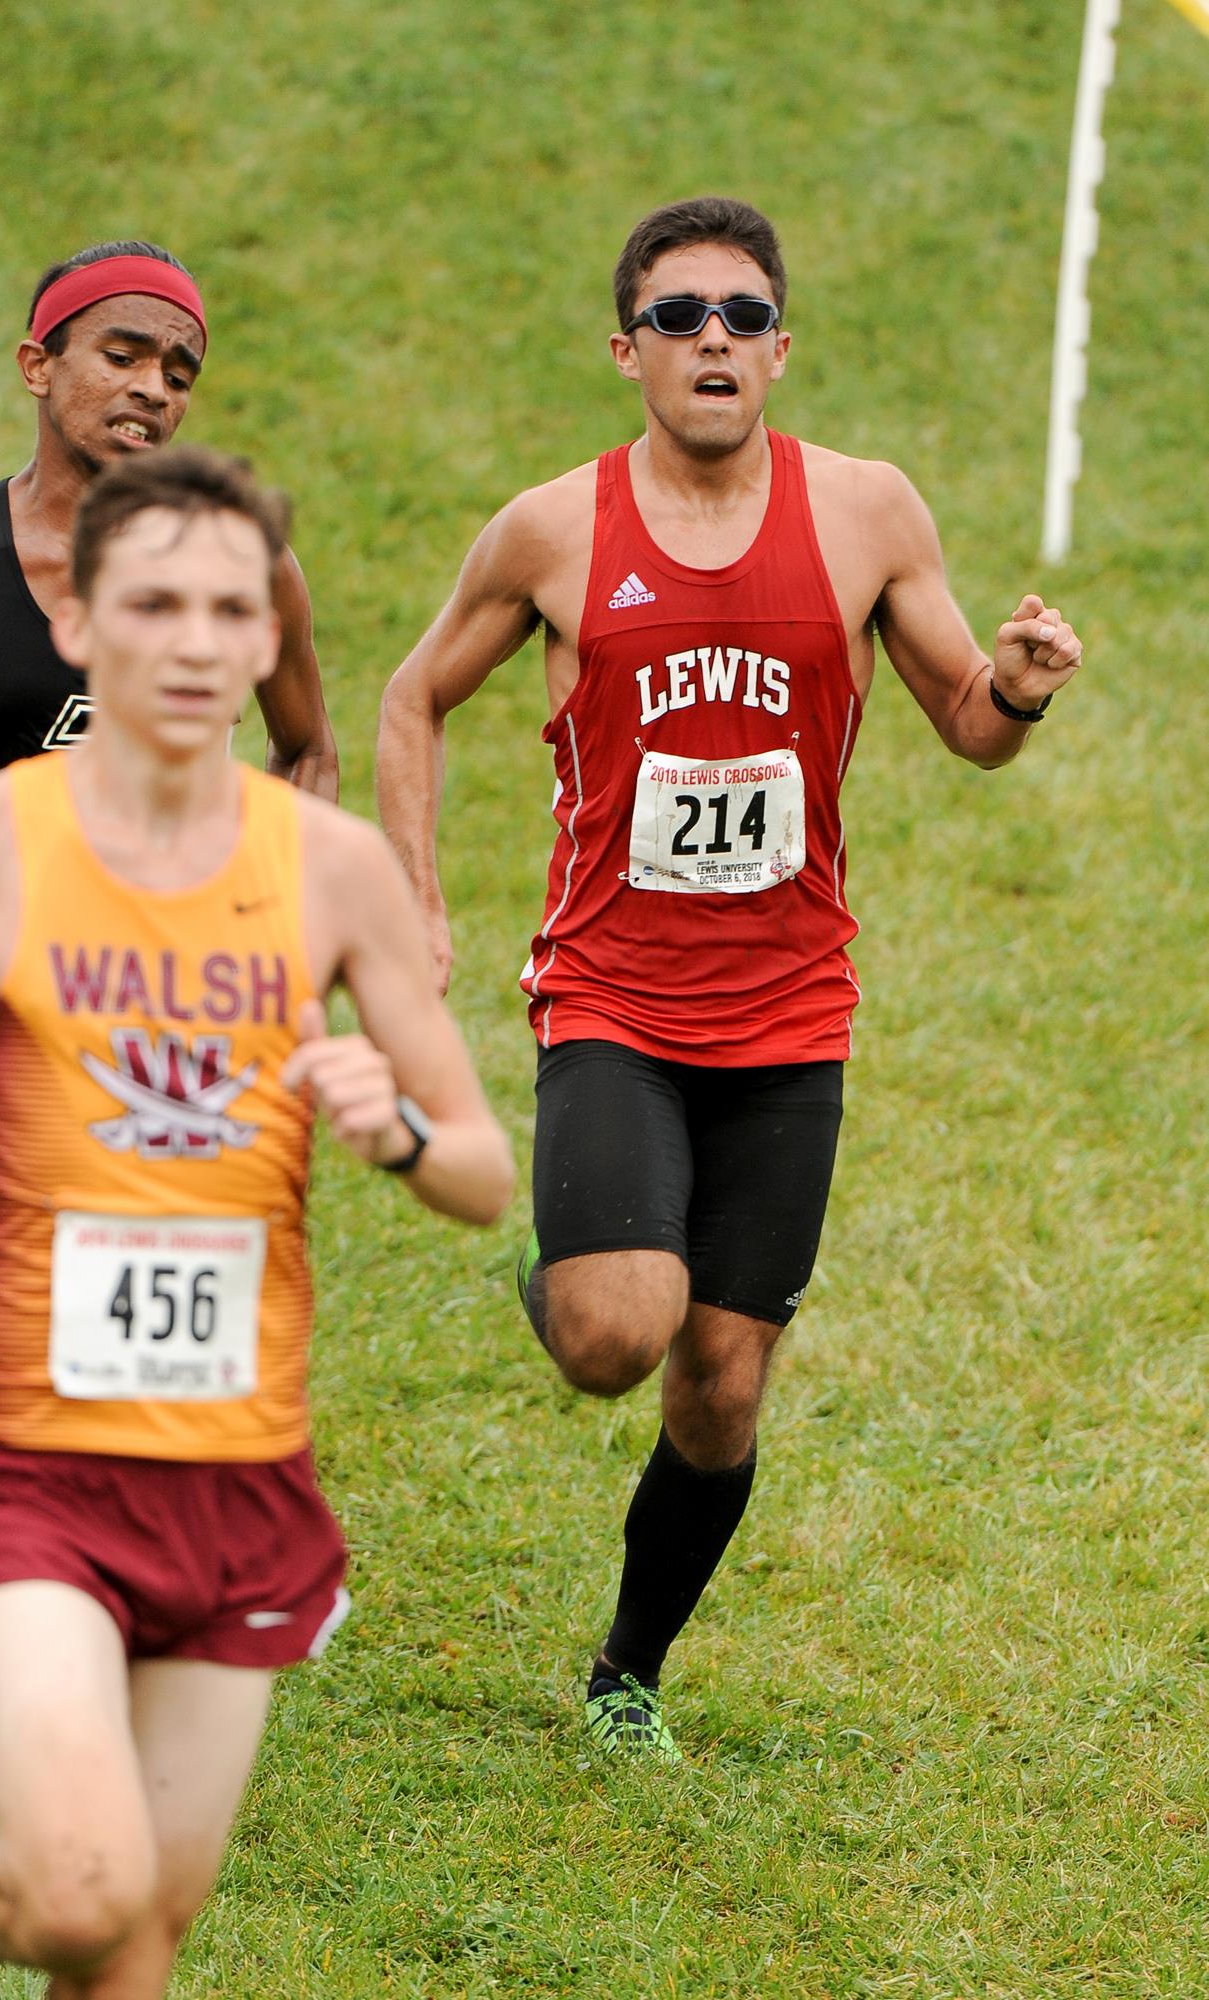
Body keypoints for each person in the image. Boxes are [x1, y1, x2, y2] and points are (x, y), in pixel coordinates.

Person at [376, 194, 1083, 1762]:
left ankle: (628, 1673)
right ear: (625, 348)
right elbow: (412, 697)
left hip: (788, 1012)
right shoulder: (555, 530)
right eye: (680, 315)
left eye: (742, 317)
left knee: (720, 1382)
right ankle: (569, 1274)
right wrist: (411, 903)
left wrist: (1016, 690)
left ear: (781, 350)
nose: (713, 338)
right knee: (616, 1336)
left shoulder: (867, 514)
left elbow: (964, 721)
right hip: (613, 1000)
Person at [0, 445, 513, 2000]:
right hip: (35, 1461)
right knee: (85, 1888)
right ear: (83, 623)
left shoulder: (333, 873)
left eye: (230, 609)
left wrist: (399, 1125)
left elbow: (485, 1169)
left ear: (262, 643)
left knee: (142, 1931)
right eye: (152, 601)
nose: (191, 639)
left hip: (240, 1478)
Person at [0, 239, 340, 1261]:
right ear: (38, 365)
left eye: (179, 372)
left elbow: (305, 749)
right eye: (123, 355)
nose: (154, 390)